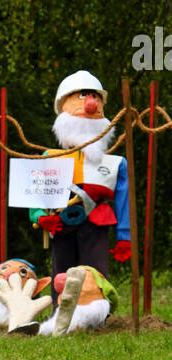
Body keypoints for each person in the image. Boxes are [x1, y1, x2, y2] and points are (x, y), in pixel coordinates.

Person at [29, 71, 130, 302]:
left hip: (97, 222)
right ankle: (61, 316)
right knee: (61, 272)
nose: (90, 104)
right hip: (61, 222)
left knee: (95, 272)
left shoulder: (115, 164)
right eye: (81, 96)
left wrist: (125, 237)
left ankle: (94, 315)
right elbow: (36, 194)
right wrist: (39, 216)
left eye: (94, 97)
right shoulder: (49, 157)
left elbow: (124, 202)